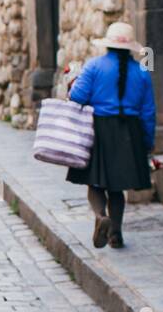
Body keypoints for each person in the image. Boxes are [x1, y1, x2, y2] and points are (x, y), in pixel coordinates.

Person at [66, 21, 155, 249]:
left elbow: (77, 97)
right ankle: (116, 234)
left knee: (95, 183)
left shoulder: (94, 66)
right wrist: (147, 142)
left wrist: (73, 83)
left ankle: (100, 215)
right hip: (130, 132)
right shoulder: (142, 72)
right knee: (117, 187)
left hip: (99, 129)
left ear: (108, 45)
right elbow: (148, 112)